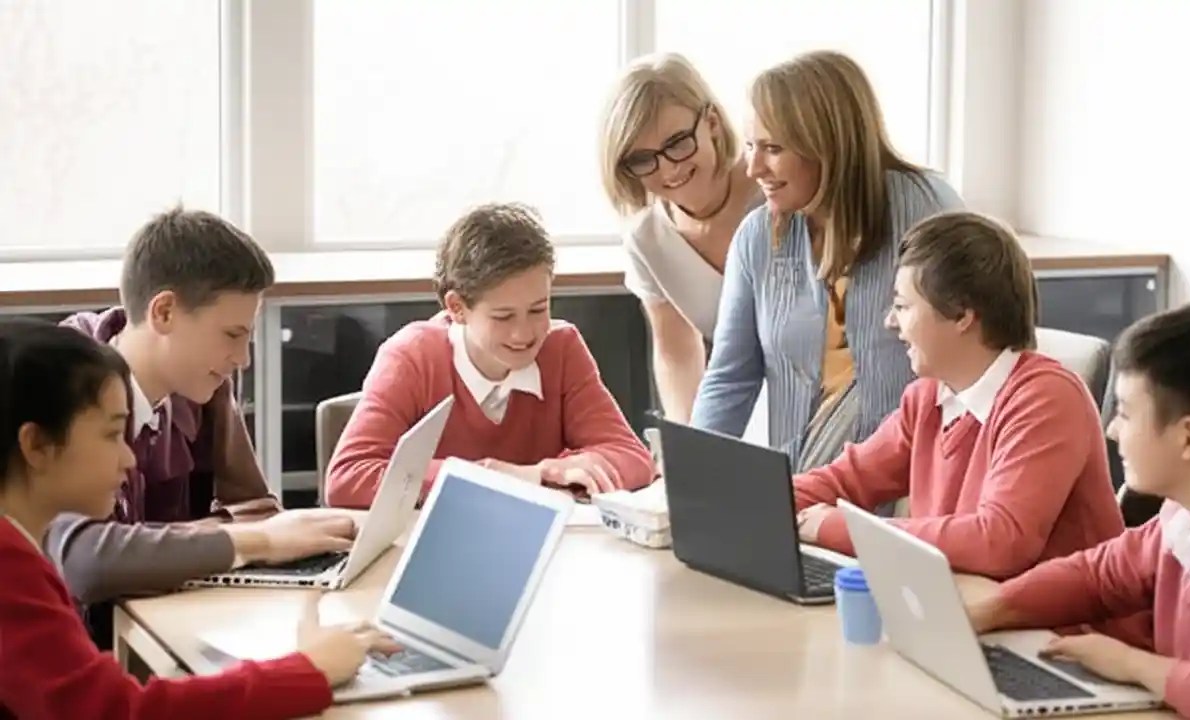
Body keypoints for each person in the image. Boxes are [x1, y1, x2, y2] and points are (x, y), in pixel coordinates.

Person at [0, 320, 397, 719]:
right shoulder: (10, 569)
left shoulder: (20, 547)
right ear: (37, 445)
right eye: (111, 434)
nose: (129, 458)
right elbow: (121, 711)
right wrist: (309, 669)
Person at [49, 208, 358, 645]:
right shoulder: (61, 385)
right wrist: (252, 541)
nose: (243, 358)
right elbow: (84, 559)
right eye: (232, 335)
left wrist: (281, 536)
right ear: (165, 313)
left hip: (163, 628)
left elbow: (254, 507)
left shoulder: (202, 386)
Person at [966, 302, 1190, 719]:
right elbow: (1096, 576)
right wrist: (992, 610)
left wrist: (1132, 665)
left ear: (1189, 438)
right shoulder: (1182, 517)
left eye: (1126, 413)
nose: (1112, 429)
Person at [792, 211, 1125, 580]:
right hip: (963, 611)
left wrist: (838, 528)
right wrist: (750, 502)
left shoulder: (1047, 398)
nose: (890, 321)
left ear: (963, 315)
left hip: (1060, 631)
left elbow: (1000, 542)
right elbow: (845, 481)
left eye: (902, 306)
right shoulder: (927, 398)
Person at [690, 50, 963, 471]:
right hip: (801, 491)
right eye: (750, 146)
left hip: (912, 487)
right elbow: (730, 379)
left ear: (829, 146)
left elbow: (974, 364)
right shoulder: (757, 237)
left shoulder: (929, 210)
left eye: (773, 148)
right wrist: (689, 480)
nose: (753, 168)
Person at [325, 202, 654, 508]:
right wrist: (505, 476)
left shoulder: (562, 348)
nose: (525, 333)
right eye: (503, 317)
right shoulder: (411, 357)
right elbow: (349, 477)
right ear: (457, 308)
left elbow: (633, 457)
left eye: (538, 309)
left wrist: (575, 468)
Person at [599, 52, 765, 433]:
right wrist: (689, 448)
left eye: (678, 143)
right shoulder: (647, 239)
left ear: (711, 123)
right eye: (643, 159)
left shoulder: (771, 189)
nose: (669, 169)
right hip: (733, 409)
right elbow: (676, 354)